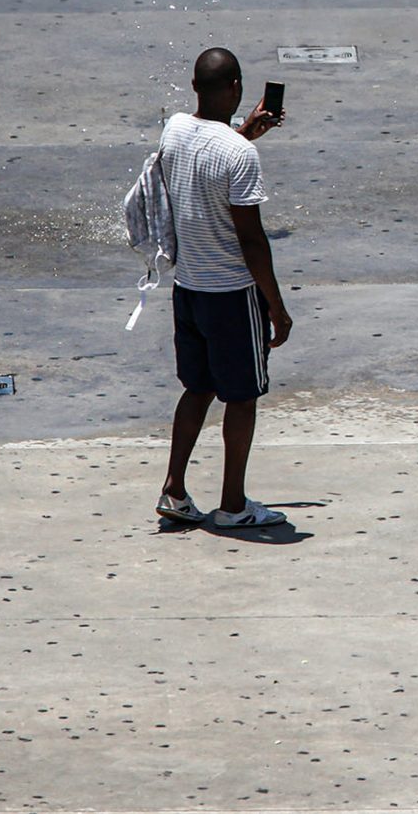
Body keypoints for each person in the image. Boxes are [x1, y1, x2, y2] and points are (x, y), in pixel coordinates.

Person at [155, 47, 293, 529]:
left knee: (197, 388)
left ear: (195, 87)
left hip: (188, 289)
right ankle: (233, 505)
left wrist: (242, 132)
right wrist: (276, 306)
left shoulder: (174, 129)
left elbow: (204, 161)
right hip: (233, 296)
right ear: (236, 87)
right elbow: (253, 242)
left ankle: (174, 490)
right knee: (242, 396)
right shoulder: (240, 155)